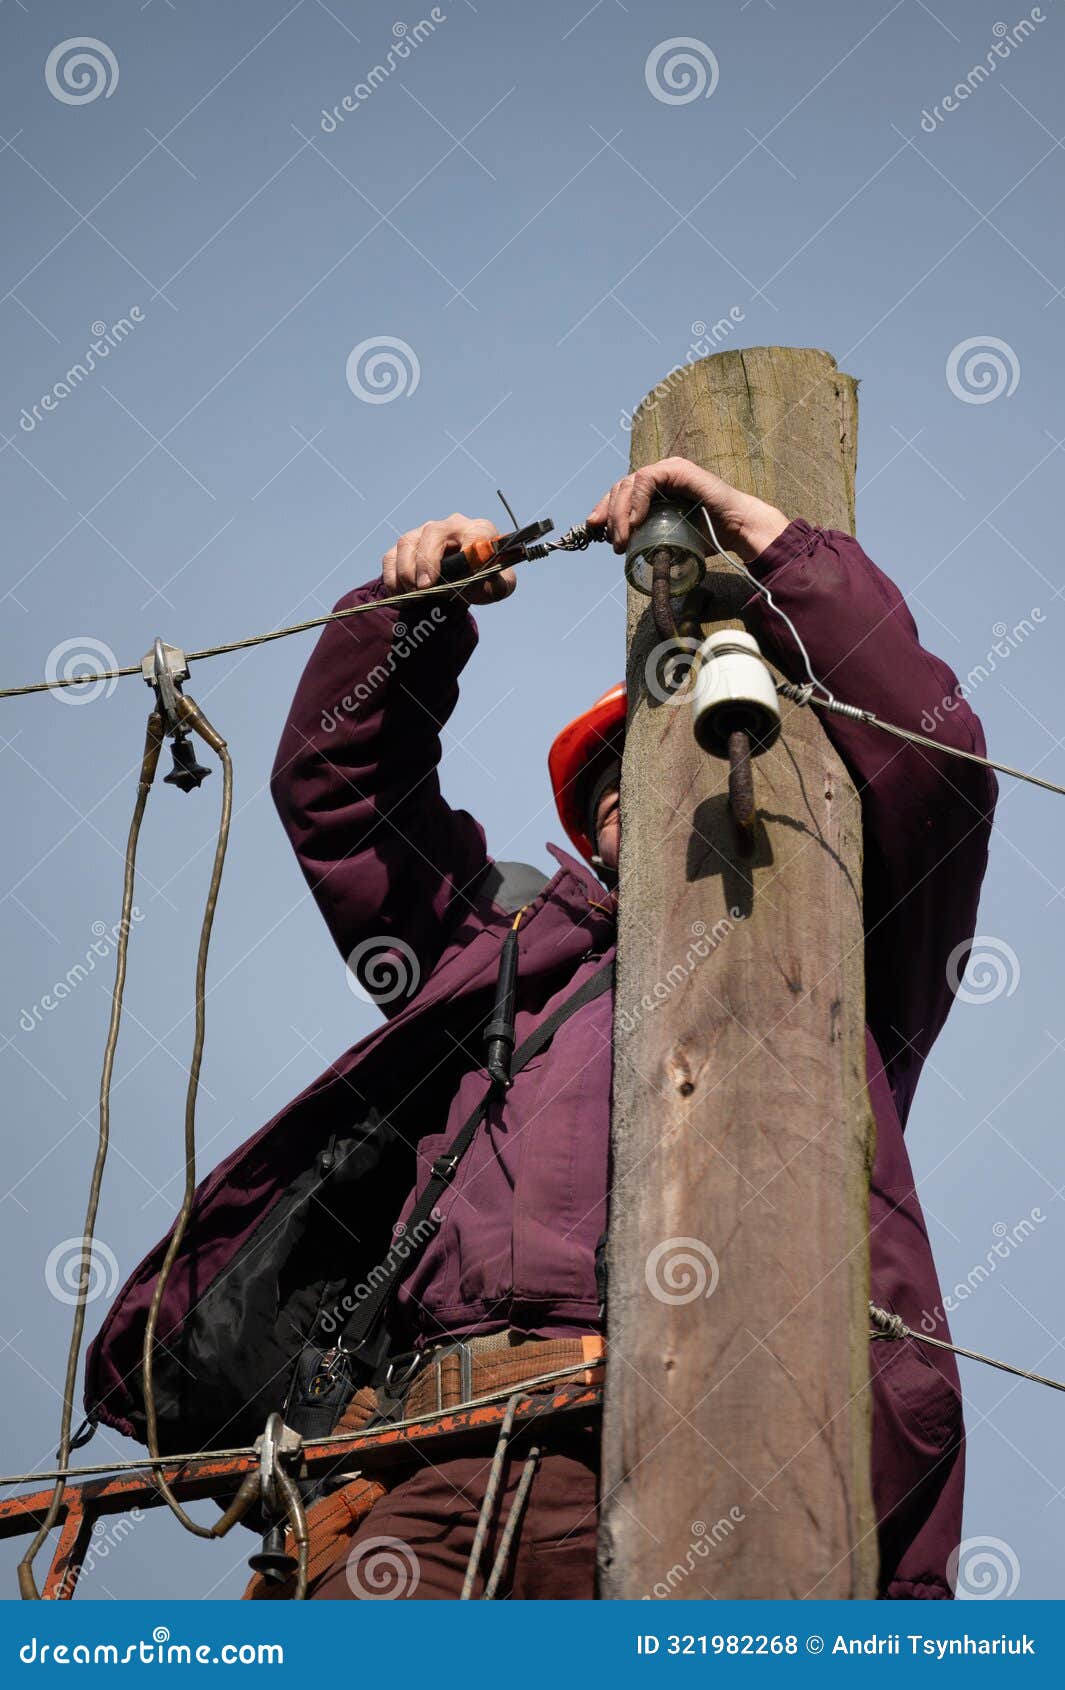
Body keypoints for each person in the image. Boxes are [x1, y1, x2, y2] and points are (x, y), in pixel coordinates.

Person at [86, 457, 995, 1601]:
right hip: (432, 1464)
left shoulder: (844, 951)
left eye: (659, 744)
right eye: (608, 768)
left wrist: (772, 544)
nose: (629, 781)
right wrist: (413, 619)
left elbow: (934, 764)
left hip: (735, 1448)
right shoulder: (501, 954)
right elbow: (339, 792)